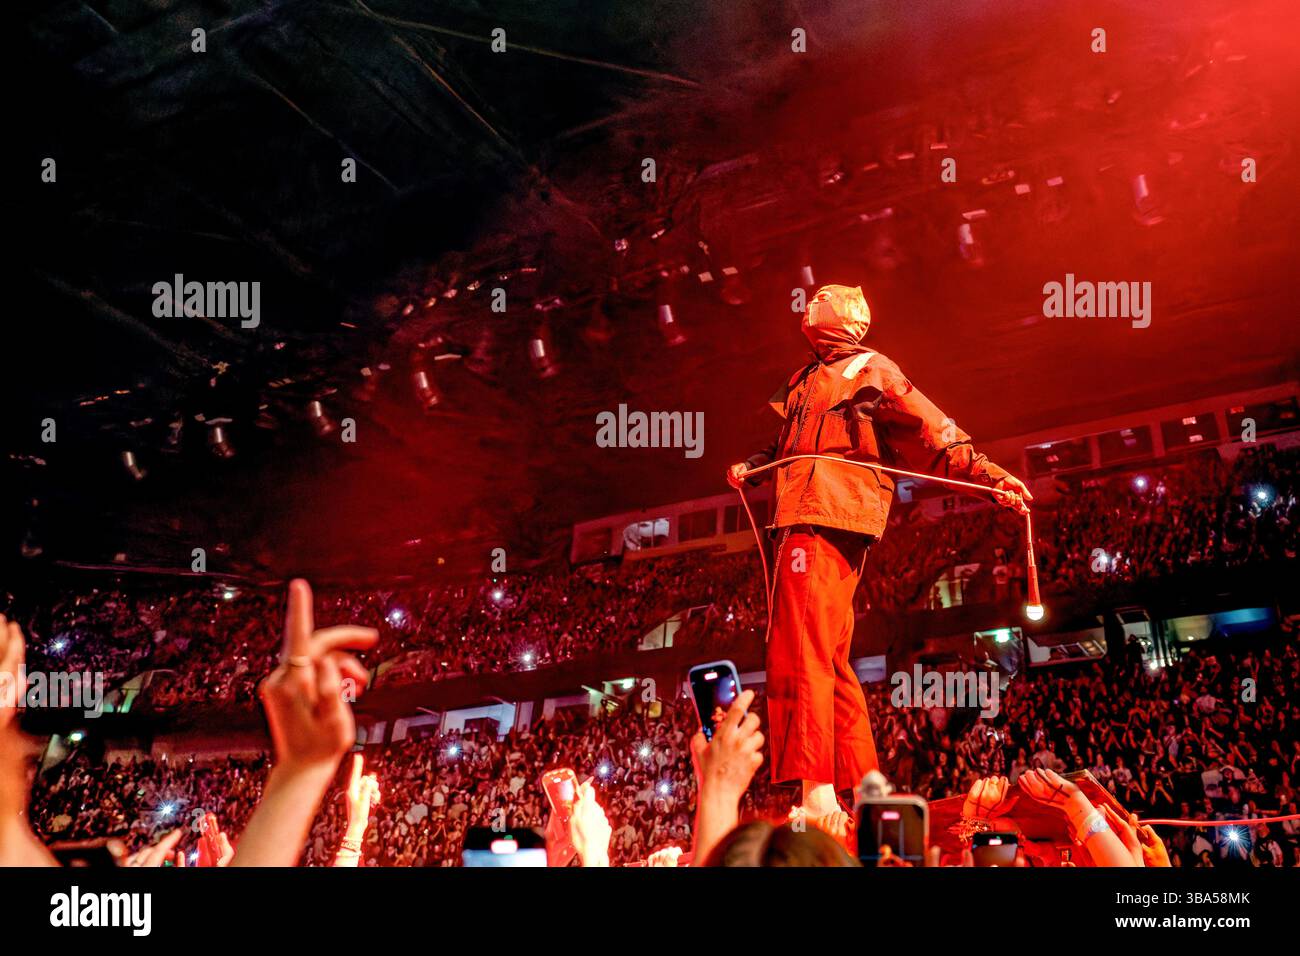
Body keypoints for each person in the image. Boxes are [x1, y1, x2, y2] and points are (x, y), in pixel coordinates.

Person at [727, 284, 1031, 828]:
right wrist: (753, 463)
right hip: (800, 514)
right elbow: (783, 446)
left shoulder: (874, 368)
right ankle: (862, 788)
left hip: (825, 515)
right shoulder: (802, 379)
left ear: (843, 316)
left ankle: (816, 792)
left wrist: (991, 478)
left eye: (820, 298)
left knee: (798, 649)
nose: (809, 303)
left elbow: (935, 434)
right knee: (829, 655)